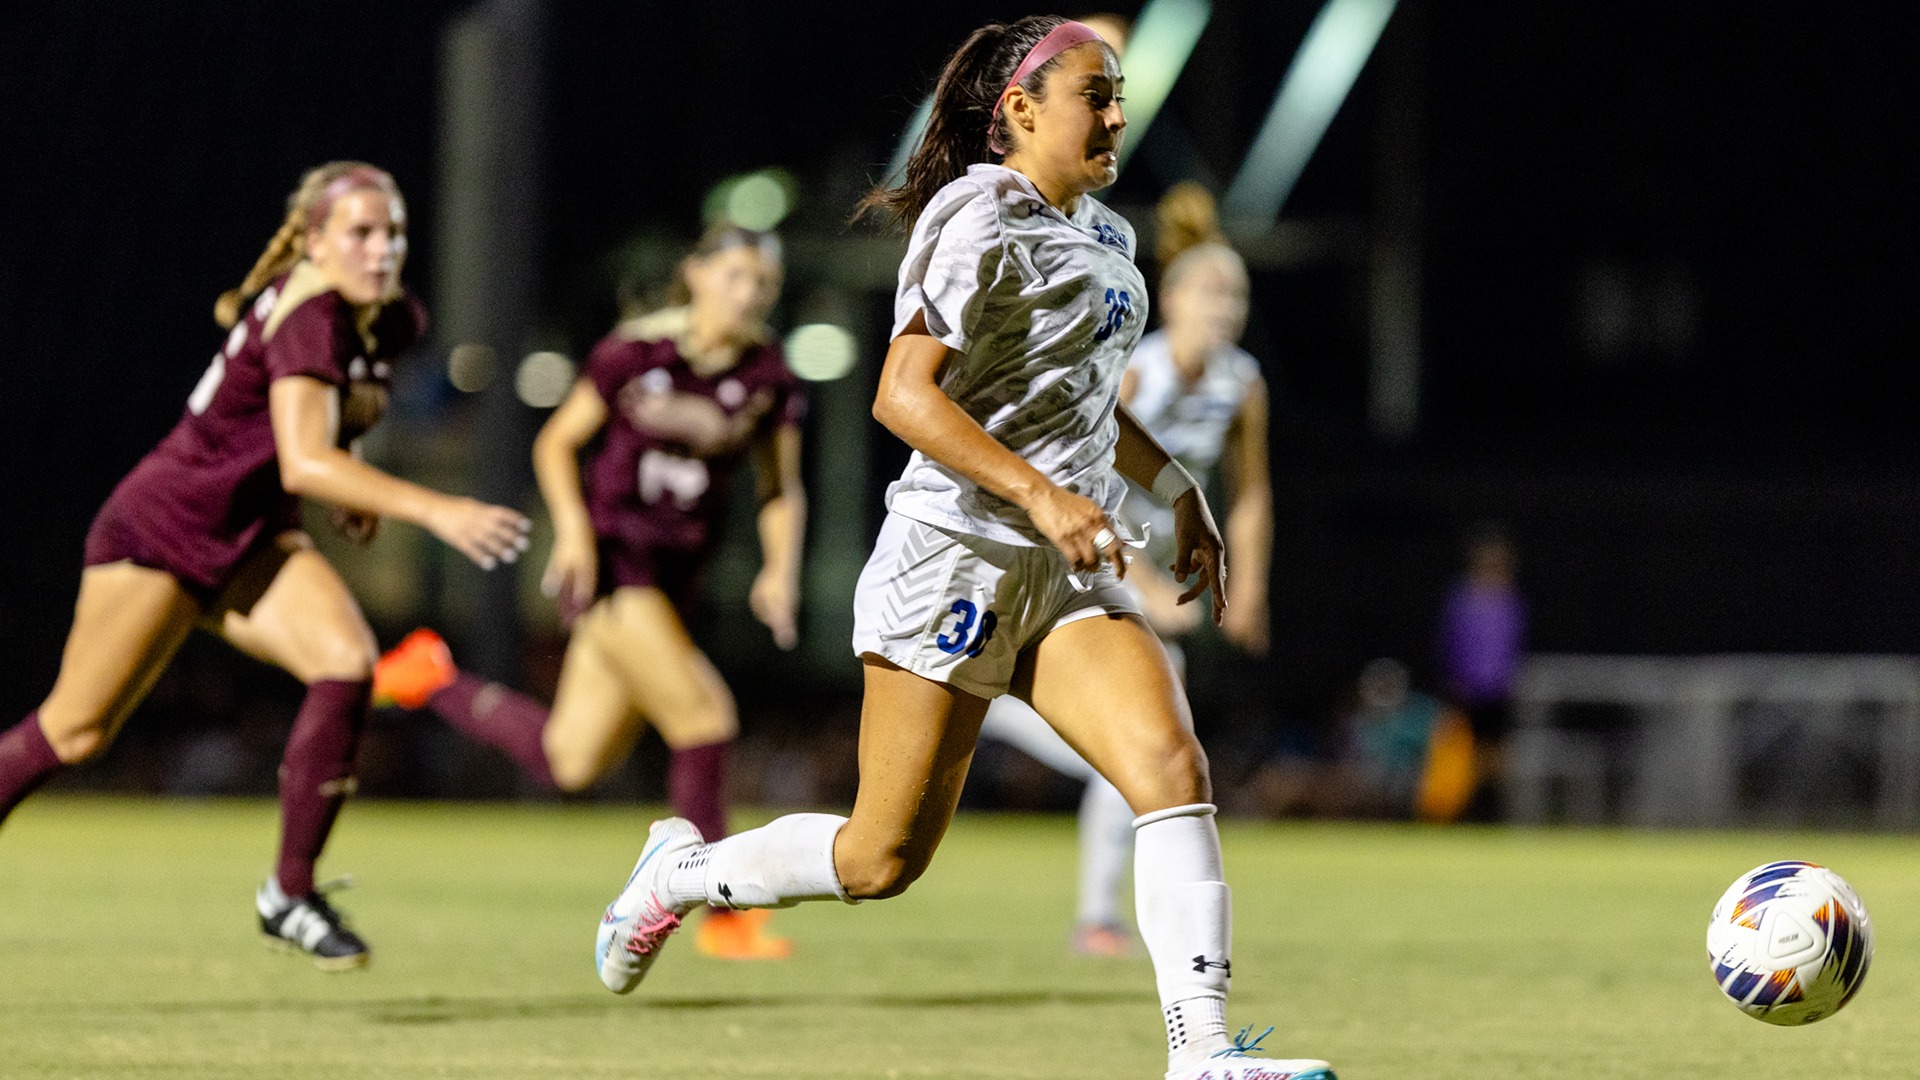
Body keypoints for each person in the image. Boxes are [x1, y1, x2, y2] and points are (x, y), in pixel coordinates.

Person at [592, 18, 1333, 1080]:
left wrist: (1172, 489)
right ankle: (678, 875)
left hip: (1062, 568)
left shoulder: (1110, 240)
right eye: (1096, 93)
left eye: (1117, 92)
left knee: (1172, 769)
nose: (1117, 113)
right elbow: (902, 395)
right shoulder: (976, 212)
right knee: (880, 855)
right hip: (956, 554)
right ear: (1021, 111)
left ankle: (1204, 1055)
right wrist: (1041, 494)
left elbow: (1079, 402)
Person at [0, 162, 532, 970]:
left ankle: (289, 892)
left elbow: (333, 428)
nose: (381, 248)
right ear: (314, 241)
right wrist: (438, 508)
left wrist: (350, 455)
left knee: (347, 663)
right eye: (359, 232)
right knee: (74, 732)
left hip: (251, 535)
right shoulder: (310, 312)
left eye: (392, 232)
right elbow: (303, 464)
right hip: (166, 527)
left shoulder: (388, 318)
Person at [371, 224, 805, 960]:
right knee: (706, 718)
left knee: (568, 761)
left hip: (672, 587)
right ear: (695, 275)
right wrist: (572, 531)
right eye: (733, 276)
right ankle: (723, 918)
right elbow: (556, 442)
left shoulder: (769, 377)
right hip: (615, 569)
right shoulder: (634, 353)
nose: (747, 294)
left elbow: (780, 486)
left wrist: (779, 569)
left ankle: (431, 679)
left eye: (761, 284)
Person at [973, 181, 1273, 957]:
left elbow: (1250, 495)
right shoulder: (1137, 375)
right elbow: (1083, 480)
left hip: (1147, 570)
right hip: (1083, 553)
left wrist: (1250, 588)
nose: (1225, 308)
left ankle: (988, 705)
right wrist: (1139, 584)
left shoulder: (1242, 383)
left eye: (1235, 294)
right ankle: (1098, 917)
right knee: (1147, 736)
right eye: (1210, 291)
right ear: (1169, 299)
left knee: (1133, 747)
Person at [1437, 523, 1526, 819]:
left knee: (1498, 753)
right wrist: (1455, 680)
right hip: (1469, 689)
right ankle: (1466, 807)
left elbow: (1512, 647)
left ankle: (1494, 808)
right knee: (1466, 750)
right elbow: (1453, 643)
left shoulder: (1509, 601)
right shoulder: (1463, 599)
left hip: (1498, 689)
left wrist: (1510, 680)